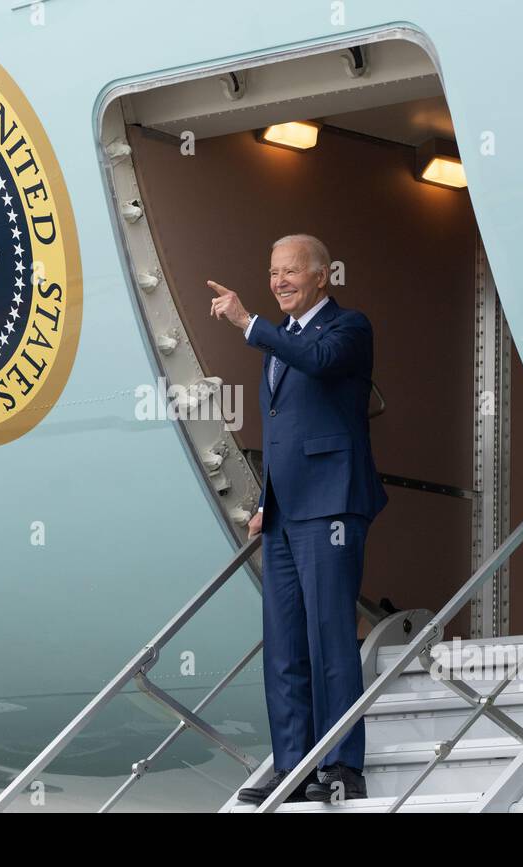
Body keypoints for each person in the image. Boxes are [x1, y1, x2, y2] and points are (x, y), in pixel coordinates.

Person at [207, 234, 388, 804]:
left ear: (322, 277)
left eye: (290, 272)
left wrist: (248, 323)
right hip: (287, 513)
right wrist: (265, 501)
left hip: (332, 504)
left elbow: (322, 361)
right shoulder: (281, 340)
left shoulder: (348, 328)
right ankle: (293, 767)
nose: (279, 281)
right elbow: (284, 434)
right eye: (272, 272)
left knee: (330, 636)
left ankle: (342, 765)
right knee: (283, 644)